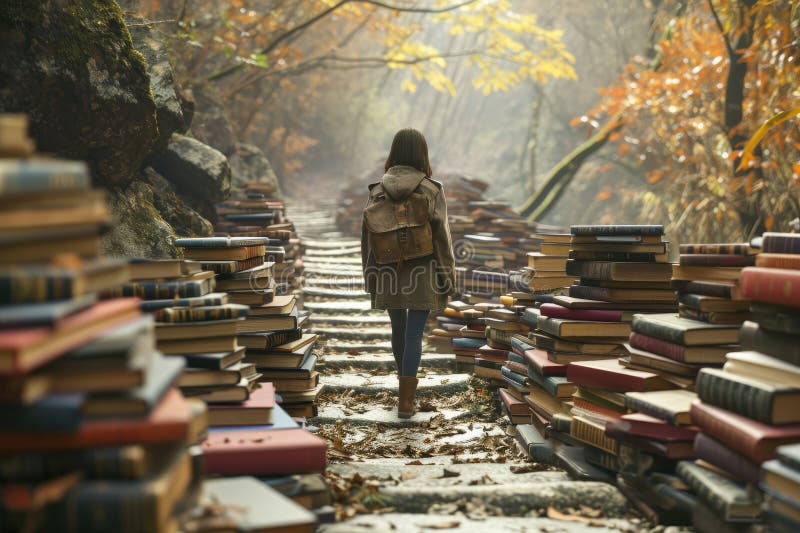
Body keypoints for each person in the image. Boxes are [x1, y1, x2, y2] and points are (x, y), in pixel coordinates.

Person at [360, 128, 456, 418]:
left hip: (388, 270)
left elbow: (367, 240)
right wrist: (448, 278)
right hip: (423, 271)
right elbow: (442, 239)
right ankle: (406, 402)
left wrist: (370, 277)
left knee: (398, 330)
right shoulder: (431, 190)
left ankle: (403, 397)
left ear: (394, 153)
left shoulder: (377, 191)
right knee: (414, 334)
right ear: (422, 154)